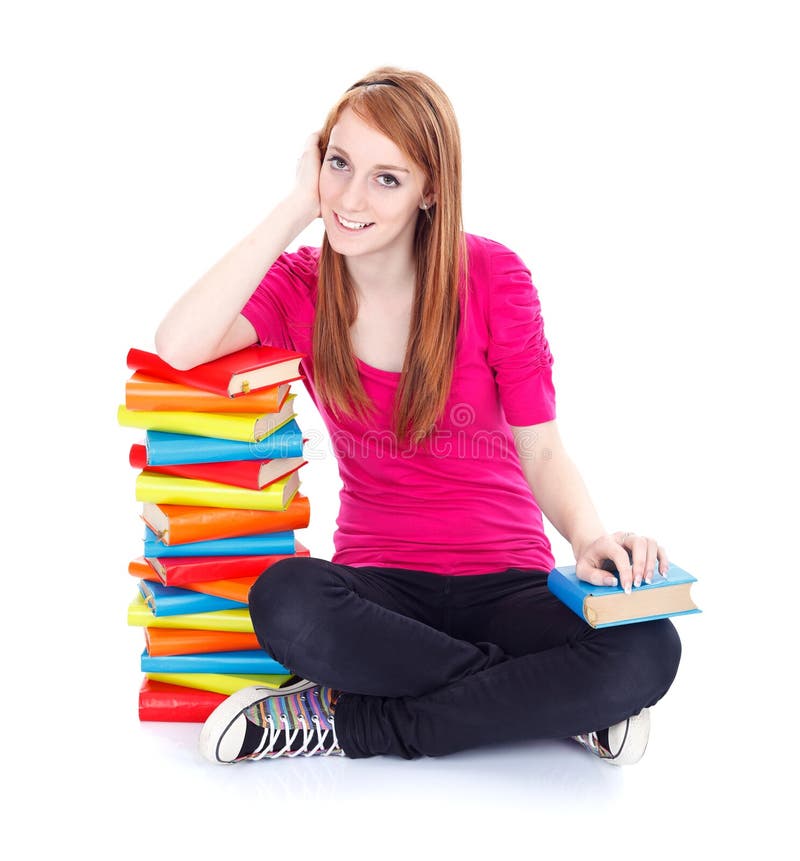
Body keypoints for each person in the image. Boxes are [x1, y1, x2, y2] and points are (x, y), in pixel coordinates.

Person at [155, 66, 682, 766]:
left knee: (648, 645)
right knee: (284, 599)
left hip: (509, 581)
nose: (350, 197)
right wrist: (294, 204)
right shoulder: (300, 286)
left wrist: (588, 538)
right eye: (339, 165)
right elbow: (178, 344)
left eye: (387, 178)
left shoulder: (495, 277)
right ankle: (550, 700)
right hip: (378, 594)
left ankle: (354, 723)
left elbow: (544, 451)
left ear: (431, 190)